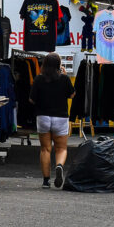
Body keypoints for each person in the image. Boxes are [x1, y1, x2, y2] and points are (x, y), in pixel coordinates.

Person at [30, 53, 74, 189]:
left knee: (45, 149)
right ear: (58, 65)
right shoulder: (64, 79)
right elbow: (72, 94)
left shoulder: (38, 79)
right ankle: (59, 166)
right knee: (61, 148)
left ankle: (45, 181)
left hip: (43, 117)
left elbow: (31, 99)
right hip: (60, 117)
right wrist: (64, 75)